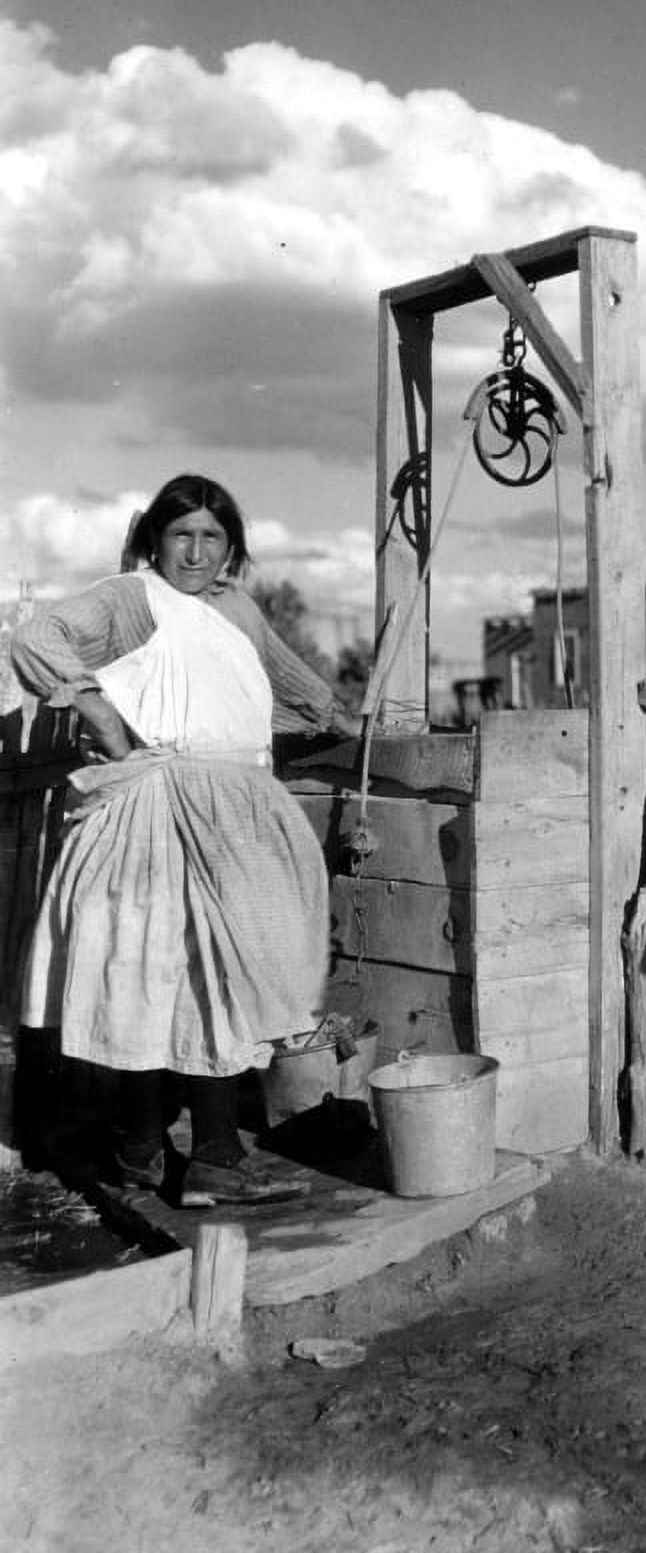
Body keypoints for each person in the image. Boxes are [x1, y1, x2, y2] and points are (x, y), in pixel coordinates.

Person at [13, 472, 358, 1207]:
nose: (196, 552)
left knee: (221, 976)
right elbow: (37, 637)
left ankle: (188, 1153)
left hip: (237, 811)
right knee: (153, 976)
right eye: (182, 535)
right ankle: (173, 1153)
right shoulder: (132, 599)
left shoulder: (235, 608)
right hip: (155, 810)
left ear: (231, 547)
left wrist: (340, 715)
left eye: (212, 537)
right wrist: (96, 707)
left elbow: (287, 680)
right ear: (154, 540)